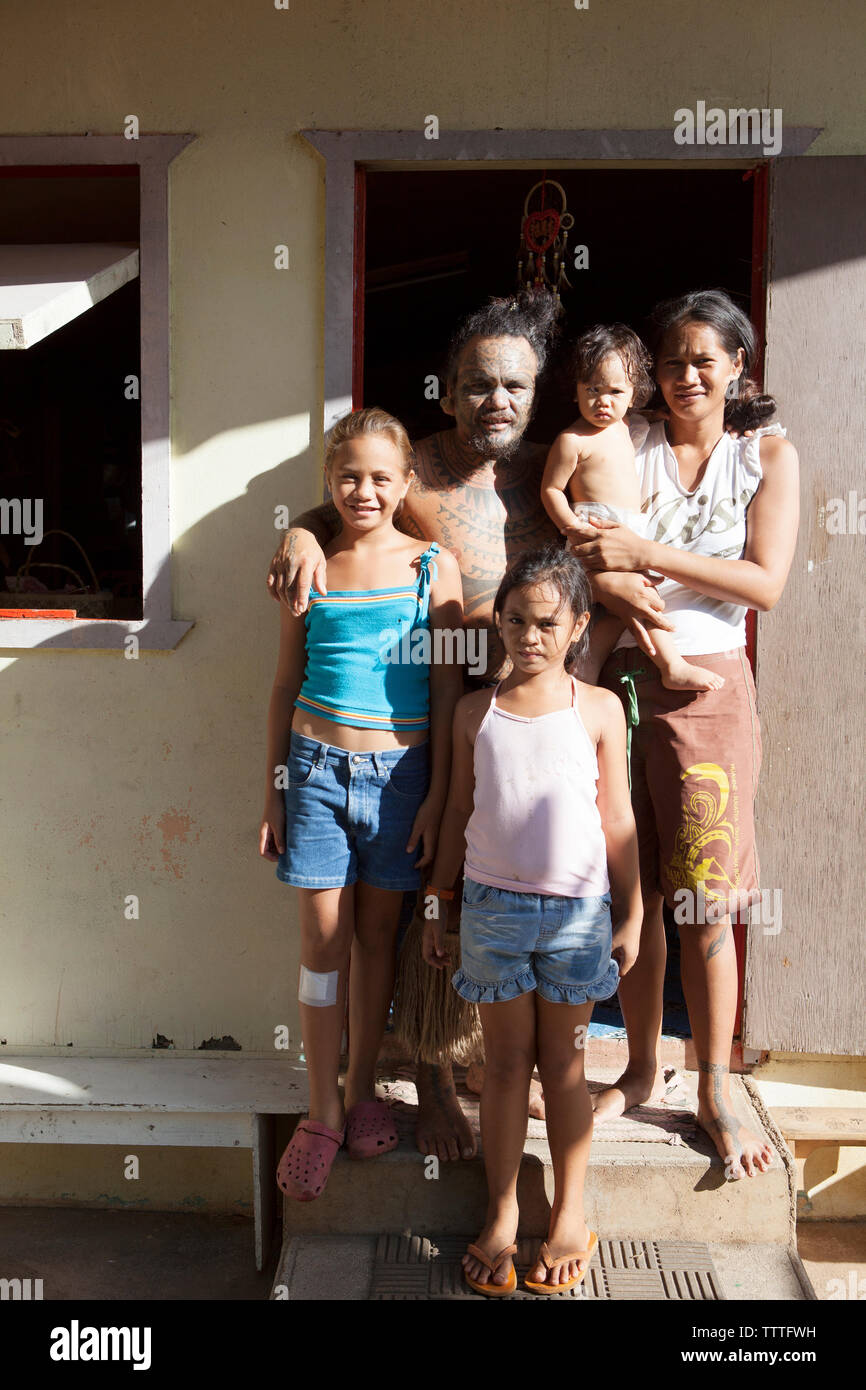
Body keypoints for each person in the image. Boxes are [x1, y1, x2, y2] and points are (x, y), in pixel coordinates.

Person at [267, 293, 656, 1161]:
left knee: (516, 889)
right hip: (431, 724)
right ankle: (433, 1075)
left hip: (541, 726)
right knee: (417, 904)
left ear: (536, 390)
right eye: (478, 385)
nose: (498, 401)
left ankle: (500, 1062)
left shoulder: (555, 473)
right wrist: (299, 529)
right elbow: (352, 511)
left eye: (515, 385)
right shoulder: (419, 477)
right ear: (448, 392)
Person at [572, 289, 800, 1178]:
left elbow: (764, 585)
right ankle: (638, 1067)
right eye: (672, 362)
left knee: (705, 892)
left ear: (740, 366)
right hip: (617, 684)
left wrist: (647, 559)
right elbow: (589, 553)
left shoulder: (766, 458)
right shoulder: (624, 444)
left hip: (710, 687)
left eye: (706, 359)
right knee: (634, 892)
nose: (686, 376)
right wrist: (622, 585)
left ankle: (710, 1081)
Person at [423, 545, 641, 1294]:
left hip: (580, 916)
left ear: (579, 624)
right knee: (508, 1066)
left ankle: (572, 1211)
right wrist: (436, 903)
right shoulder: (473, 712)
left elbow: (618, 819)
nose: (528, 635)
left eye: (546, 622)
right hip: (491, 910)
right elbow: (457, 811)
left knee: (568, 1066)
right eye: (514, 619)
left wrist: (634, 909)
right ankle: (505, 1212)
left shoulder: (601, 709)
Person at [259, 407, 463, 1200]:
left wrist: (441, 800)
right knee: (323, 942)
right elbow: (283, 685)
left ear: (407, 482)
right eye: (349, 476)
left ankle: (362, 1085)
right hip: (311, 774)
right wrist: (273, 791)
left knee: (379, 938)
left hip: (404, 778)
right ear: (327, 482)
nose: (364, 491)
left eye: (382, 478)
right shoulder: (307, 567)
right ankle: (320, 1111)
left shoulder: (430, 568)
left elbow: (448, 692)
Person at [542, 323, 725, 692]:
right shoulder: (572, 440)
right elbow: (551, 490)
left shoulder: (631, 426)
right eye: (592, 389)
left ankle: (582, 678)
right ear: (575, 389)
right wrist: (571, 528)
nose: (603, 401)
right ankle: (671, 665)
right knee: (637, 598)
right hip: (592, 532)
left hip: (630, 532)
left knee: (619, 612)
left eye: (615, 391)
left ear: (634, 394)